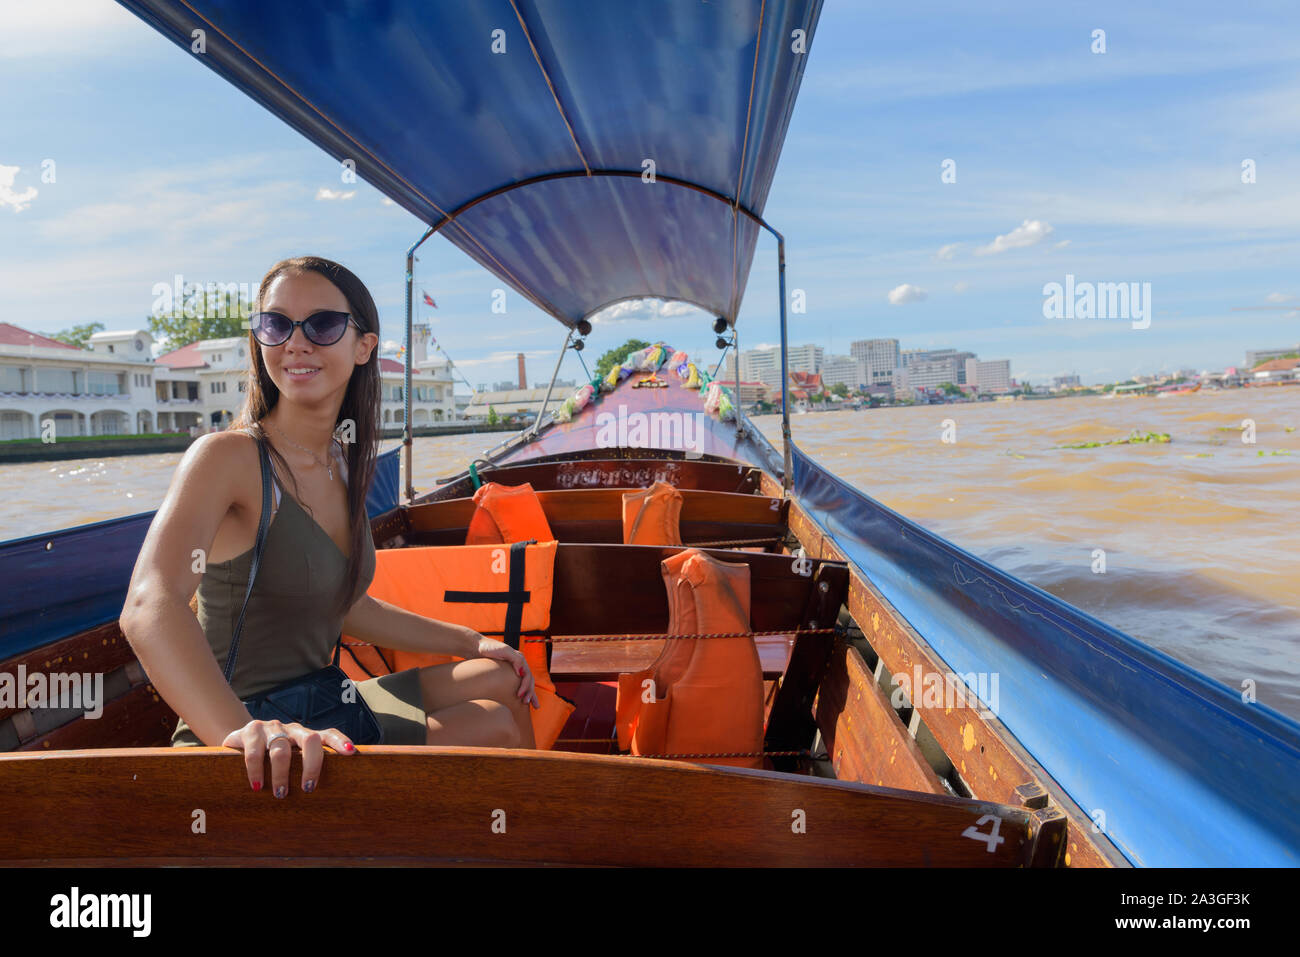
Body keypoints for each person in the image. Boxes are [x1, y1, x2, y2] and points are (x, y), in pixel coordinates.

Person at [120, 256, 538, 799]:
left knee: (504, 677)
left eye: (321, 325)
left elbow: (343, 605)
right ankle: (529, 831)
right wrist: (239, 730)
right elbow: (150, 603)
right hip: (253, 729)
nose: (296, 342)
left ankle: (523, 831)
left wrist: (472, 643)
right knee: (495, 724)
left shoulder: (341, 461)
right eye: (276, 324)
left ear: (364, 347)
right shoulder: (230, 458)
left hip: (322, 696)